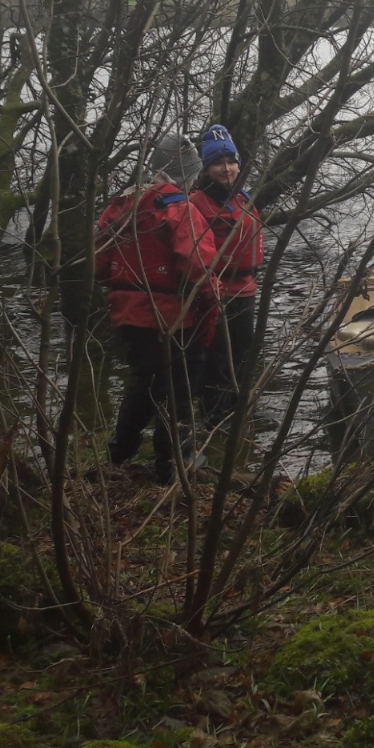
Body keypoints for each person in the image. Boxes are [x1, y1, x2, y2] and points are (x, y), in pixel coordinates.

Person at [95, 136, 220, 484]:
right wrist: (213, 301)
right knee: (179, 390)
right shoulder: (180, 208)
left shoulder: (122, 204)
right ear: (189, 174)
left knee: (143, 382)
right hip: (172, 316)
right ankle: (173, 465)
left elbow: (99, 264)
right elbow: (199, 267)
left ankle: (119, 453)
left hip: (128, 313)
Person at [189, 124, 265, 428]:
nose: (227, 169)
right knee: (218, 358)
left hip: (245, 288)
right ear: (206, 168)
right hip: (217, 290)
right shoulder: (197, 203)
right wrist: (212, 288)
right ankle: (216, 417)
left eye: (231, 162)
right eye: (218, 163)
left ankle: (240, 409)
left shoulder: (241, 198)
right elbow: (196, 252)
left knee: (243, 355)